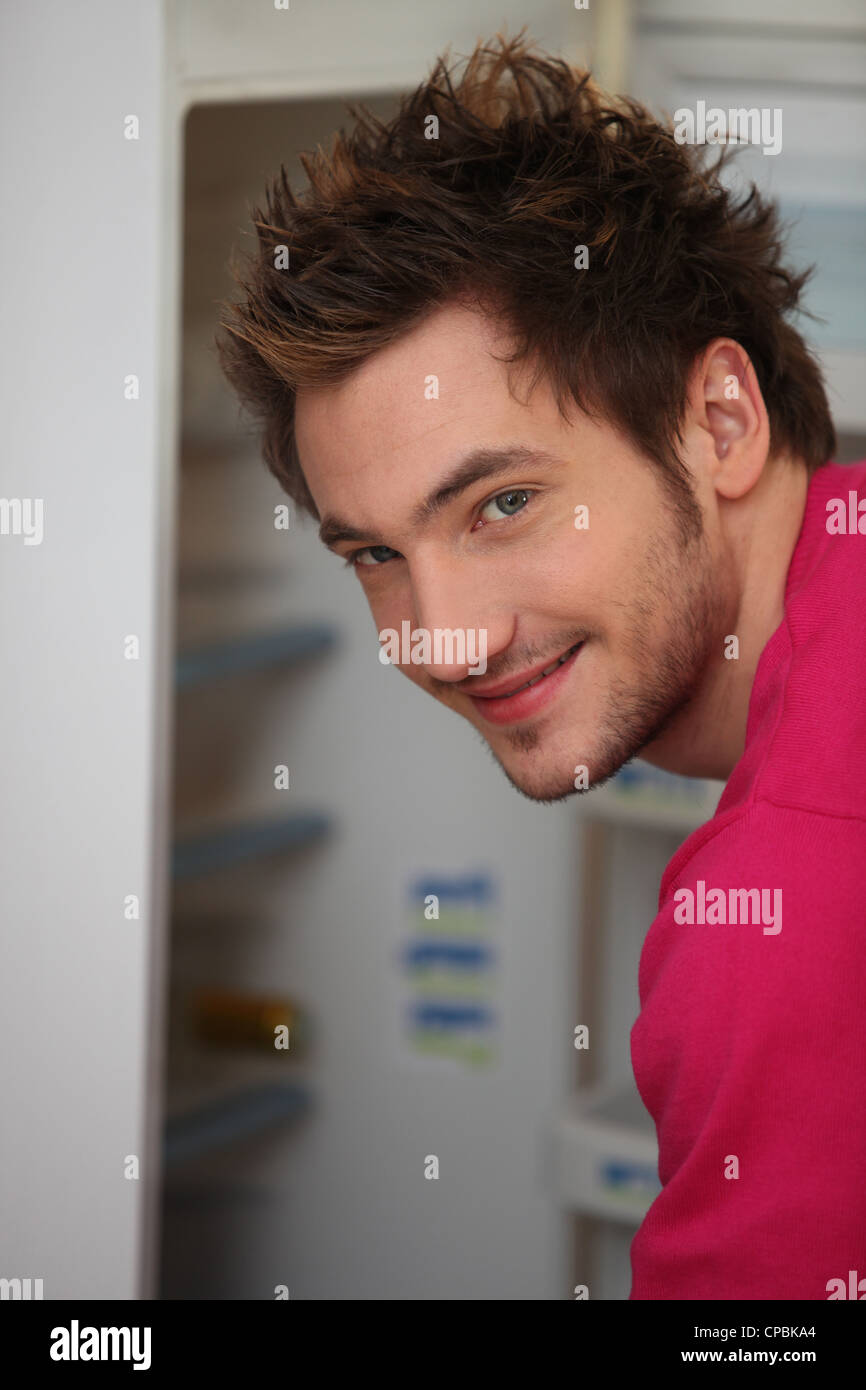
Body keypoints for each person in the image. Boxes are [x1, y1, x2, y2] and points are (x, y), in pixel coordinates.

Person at [216, 32, 866, 1300]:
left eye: (502, 505)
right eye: (373, 554)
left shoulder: (780, 910)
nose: (438, 634)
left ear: (716, 420)